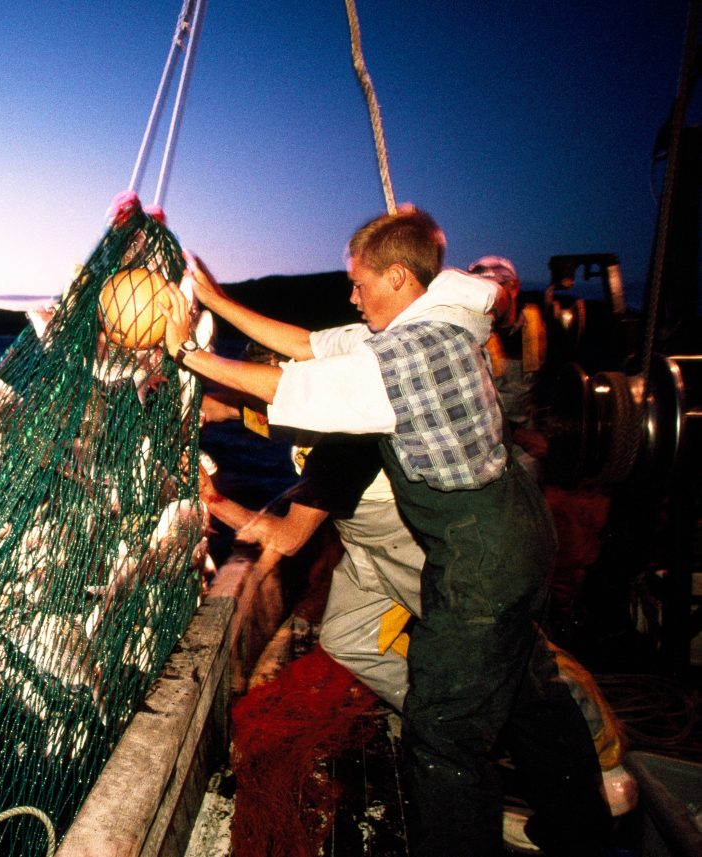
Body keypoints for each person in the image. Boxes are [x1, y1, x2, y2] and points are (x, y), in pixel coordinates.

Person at [163, 207, 612, 857]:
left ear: (398, 276)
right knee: (528, 681)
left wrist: (187, 349)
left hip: (478, 546)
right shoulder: (432, 316)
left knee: (443, 733)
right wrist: (214, 299)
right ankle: (583, 829)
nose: (350, 295)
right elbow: (310, 346)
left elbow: (287, 383)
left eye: (359, 282)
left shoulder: (406, 357)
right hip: (514, 520)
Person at [469, 255, 548, 479]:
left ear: (514, 287)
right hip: (484, 440)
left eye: (494, 289)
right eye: (481, 290)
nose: (487, 299)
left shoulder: (540, 327)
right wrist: (521, 435)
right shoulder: (470, 334)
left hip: (525, 441)